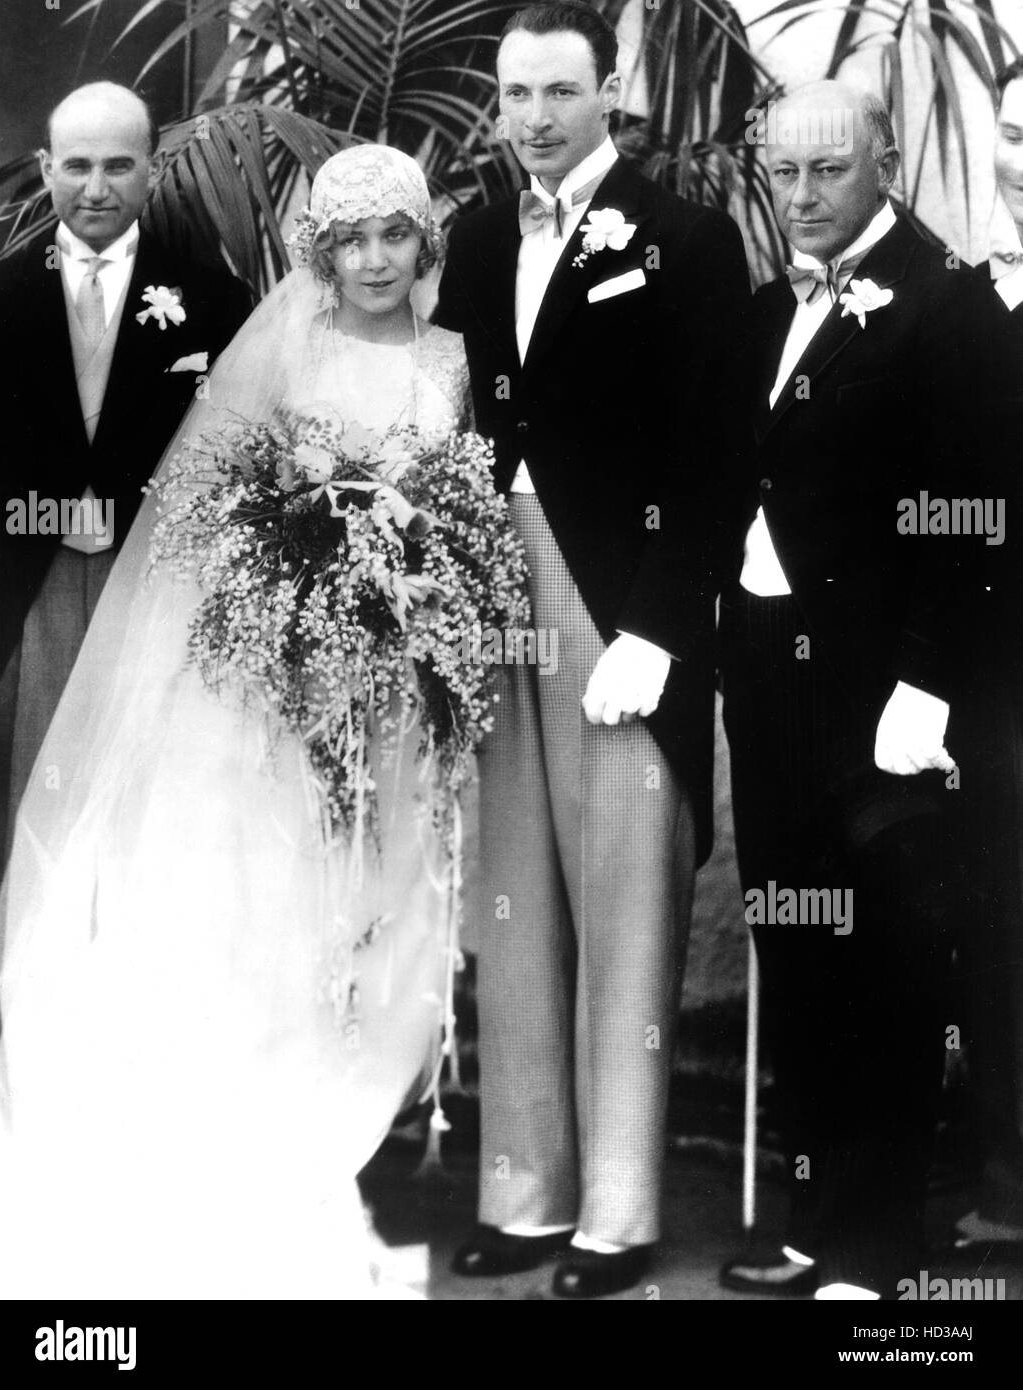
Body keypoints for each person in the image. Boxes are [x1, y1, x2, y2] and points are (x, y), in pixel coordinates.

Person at [0, 144, 471, 1298]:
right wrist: (298, 603)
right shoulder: (282, 347)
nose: (370, 260)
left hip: (399, 670)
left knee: (389, 888)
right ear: (320, 251)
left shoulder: (457, 360)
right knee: (274, 885)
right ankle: (264, 1108)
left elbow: (463, 509)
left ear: (422, 242)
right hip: (278, 670)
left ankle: (370, 1108)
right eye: (347, 239)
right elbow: (211, 508)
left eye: (392, 235)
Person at [436, 1, 750, 1298]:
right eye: (515, 95)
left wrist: (664, 628)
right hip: (495, 583)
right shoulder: (470, 234)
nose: (535, 119)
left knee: (622, 903)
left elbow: (718, 449)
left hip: (619, 605)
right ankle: (523, 1191)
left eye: (560, 92)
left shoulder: (681, 238)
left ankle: (615, 1213)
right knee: (511, 896)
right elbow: (453, 413)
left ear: (609, 90)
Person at [718, 81, 1015, 1299]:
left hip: (878, 695)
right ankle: (813, 1209)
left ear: (884, 162)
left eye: (828, 172)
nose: (800, 196)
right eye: (782, 173)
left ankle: (875, 1243)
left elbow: (983, 516)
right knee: (795, 944)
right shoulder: (764, 303)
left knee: (885, 962)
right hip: (771, 677)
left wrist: (926, 685)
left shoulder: (952, 312)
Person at [0, 82, 251, 922]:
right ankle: (16, 1031)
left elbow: (235, 460)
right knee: (30, 811)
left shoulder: (215, 300)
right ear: (43, 169)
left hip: (158, 590)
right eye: (76, 167)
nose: (95, 188)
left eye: (118, 166)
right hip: (30, 593)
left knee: (149, 815)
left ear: (153, 167)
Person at [948, 56, 1023, 1255]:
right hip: (979, 670)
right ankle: (1010, 1180)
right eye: (1013, 129)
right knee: (997, 914)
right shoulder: (958, 298)